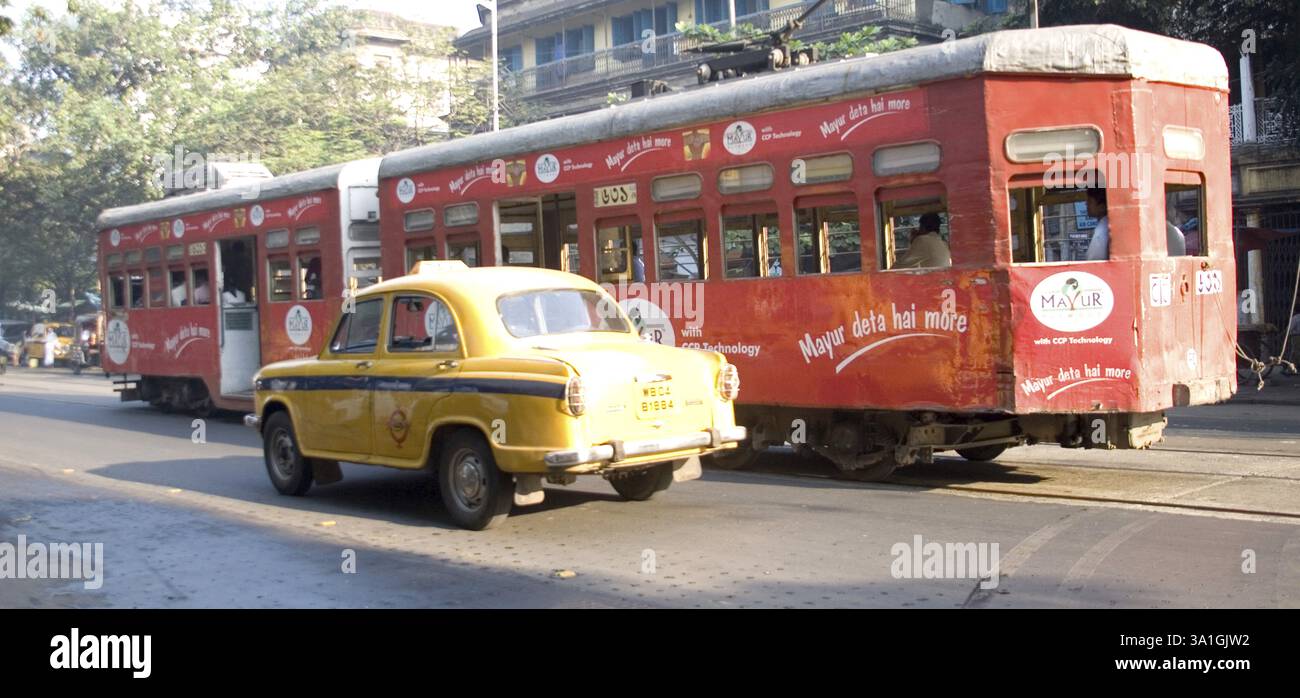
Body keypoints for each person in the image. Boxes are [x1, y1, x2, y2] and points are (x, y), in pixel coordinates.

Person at [1085, 188, 1110, 260]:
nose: (1086, 204)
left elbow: (1093, 260)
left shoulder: (1102, 230)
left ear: (1102, 206)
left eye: (1090, 201)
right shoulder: (1104, 226)